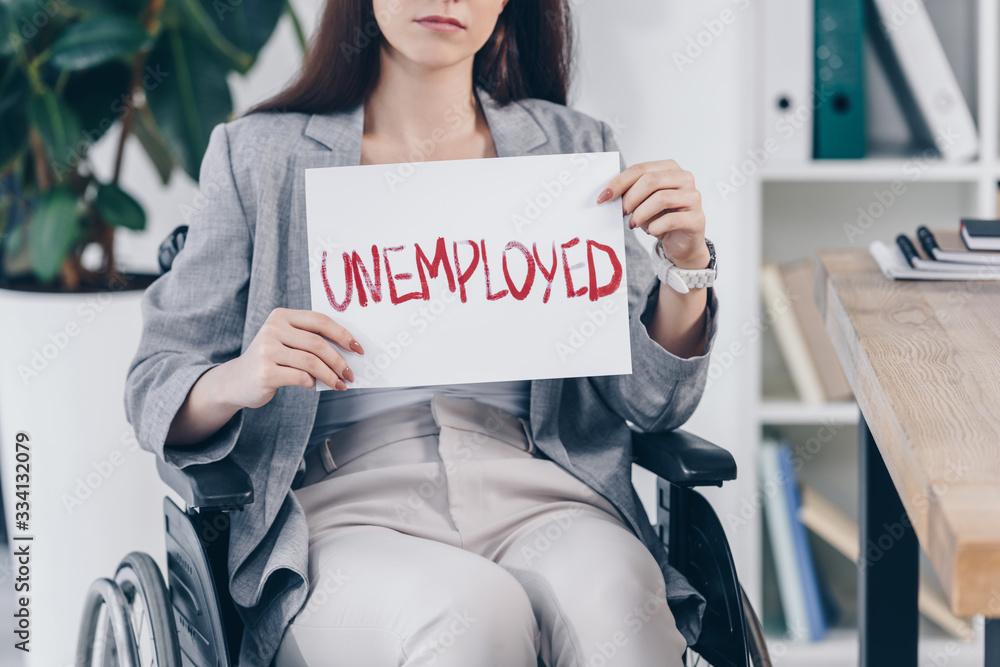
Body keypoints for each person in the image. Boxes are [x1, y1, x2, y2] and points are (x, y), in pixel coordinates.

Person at [124, 0, 719, 665]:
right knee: (470, 612)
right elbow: (155, 386)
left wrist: (685, 266)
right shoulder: (260, 157)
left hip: (543, 490)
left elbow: (654, 402)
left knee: (620, 602)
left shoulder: (571, 149)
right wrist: (240, 376)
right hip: (342, 510)